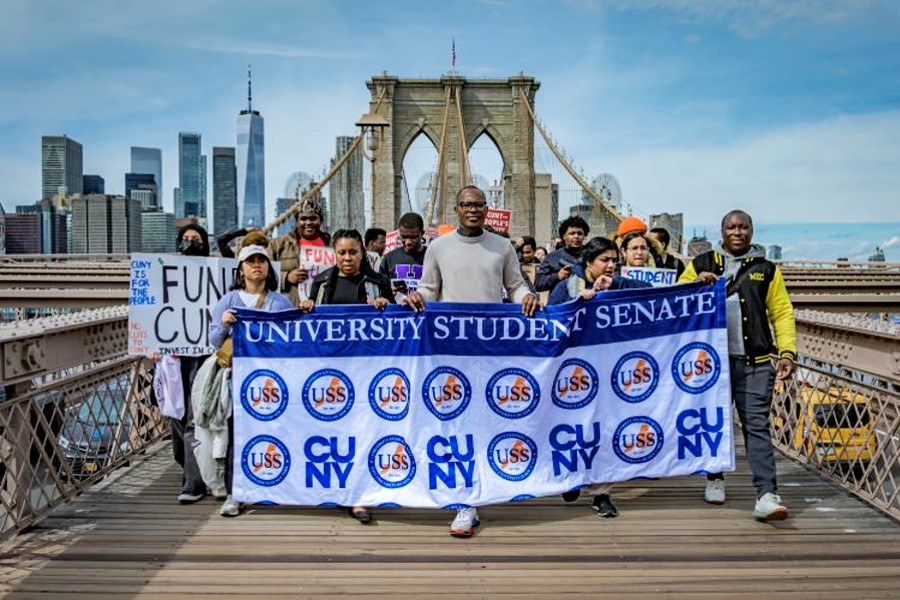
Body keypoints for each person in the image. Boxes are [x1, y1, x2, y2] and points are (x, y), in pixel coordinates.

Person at [406, 185, 539, 538]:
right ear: (456, 209)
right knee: (458, 425)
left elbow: (516, 286)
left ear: (487, 209)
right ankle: (467, 502)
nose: (474, 210)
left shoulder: (503, 245)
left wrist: (528, 297)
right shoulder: (438, 247)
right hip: (452, 350)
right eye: (467, 204)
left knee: (493, 419)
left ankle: (493, 484)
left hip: (494, 349)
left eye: (479, 205)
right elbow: (429, 288)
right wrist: (417, 297)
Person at [678, 209, 797, 522]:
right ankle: (715, 477)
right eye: (731, 227)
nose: (737, 232)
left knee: (756, 425)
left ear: (752, 231)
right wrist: (696, 287)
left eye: (743, 227)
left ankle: (767, 494)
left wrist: (787, 352)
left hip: (756, 362)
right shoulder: (701, 264)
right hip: (712, 366)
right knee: (714, 423)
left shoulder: (767, 270)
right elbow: (676, 303)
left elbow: (782, 313)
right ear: (722, 231)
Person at [548, 236, 650, 517]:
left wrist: (613, 285)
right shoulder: (566, 286)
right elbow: (550, 320)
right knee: (571, 427)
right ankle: (571, 477)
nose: (611, 266)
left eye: (614, 261)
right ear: (588, 262)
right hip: (572, 373)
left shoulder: (617, 283)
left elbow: (648, 290)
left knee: (603, 428)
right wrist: (575, 304)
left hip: (606, 370)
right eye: (604, 260)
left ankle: (601, 493)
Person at [300, 229, 395, 524]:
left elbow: (397, 323)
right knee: (335, 434)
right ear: (334, 253)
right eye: (341, 253)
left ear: (362, 252)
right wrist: (306, 309)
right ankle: (339, 490)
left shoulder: (378, 282)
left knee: (365, 433)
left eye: (353, 252)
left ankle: (359, 496)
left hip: (368, 373)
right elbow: (308, 329)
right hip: (331, 373)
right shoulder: (322, 282)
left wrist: (386, 307)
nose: (347, 258)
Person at [209, 244, 294, 517]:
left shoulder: (280, 302)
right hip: (239, 381)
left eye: (262, 261)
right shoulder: (229, 300)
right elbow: (213, 340)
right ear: (241, 268)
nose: (256, 265)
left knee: (276, 432)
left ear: (268, 268)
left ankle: (274, 486)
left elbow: (293, 339)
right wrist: (223, 323)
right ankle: (237, 493)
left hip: (273, 381)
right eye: (250, 261)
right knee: (239, 435)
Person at [163, 224, 213, 504]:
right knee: (176, 419)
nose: (190, 243)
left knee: (194, 419)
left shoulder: (215, 275)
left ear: (205, 244)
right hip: (173, 358)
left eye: (196, 239)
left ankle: (192, 484)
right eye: (185, 239)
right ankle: (192, 468)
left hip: (203, 356)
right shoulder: (165, 274)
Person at [268, 199, 332, 306]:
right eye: (303, 219)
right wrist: (287, 278)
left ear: (321, 221)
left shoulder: (332, 245)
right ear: (297, 221)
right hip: (291, 309)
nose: (308, 223)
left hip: (324, 310)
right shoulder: (278, 245)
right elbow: (261, 273)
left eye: (313, 218)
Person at [534, 215, 590, 292]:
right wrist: (557, 276)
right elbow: (538, 284)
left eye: (580, 233)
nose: (576, 236)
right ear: (564, 236)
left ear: (584, 236)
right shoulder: (552, 257)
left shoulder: (591, 254)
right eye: (572, 233)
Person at [380, 212, 427, 298]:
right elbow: (380, 288)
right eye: (404, 237)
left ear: (422, 233)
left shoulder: (431, 256)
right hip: (398, 310)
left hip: (425, 309)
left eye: (413, 237)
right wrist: (389, 292)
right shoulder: (390, 258)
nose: (408, 242)